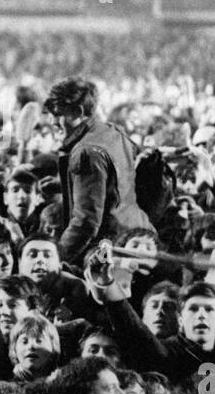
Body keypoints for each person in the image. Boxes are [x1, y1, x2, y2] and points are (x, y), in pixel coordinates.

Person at [43, 77, 151, 266]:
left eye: (57, 114)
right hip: (138, 236)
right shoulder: (113, 131)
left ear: (78, 112)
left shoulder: (86, 152)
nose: (52, 121)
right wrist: (67, 184)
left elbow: (85, 224)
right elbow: (118, 180)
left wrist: (56, 258)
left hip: (113, 250)